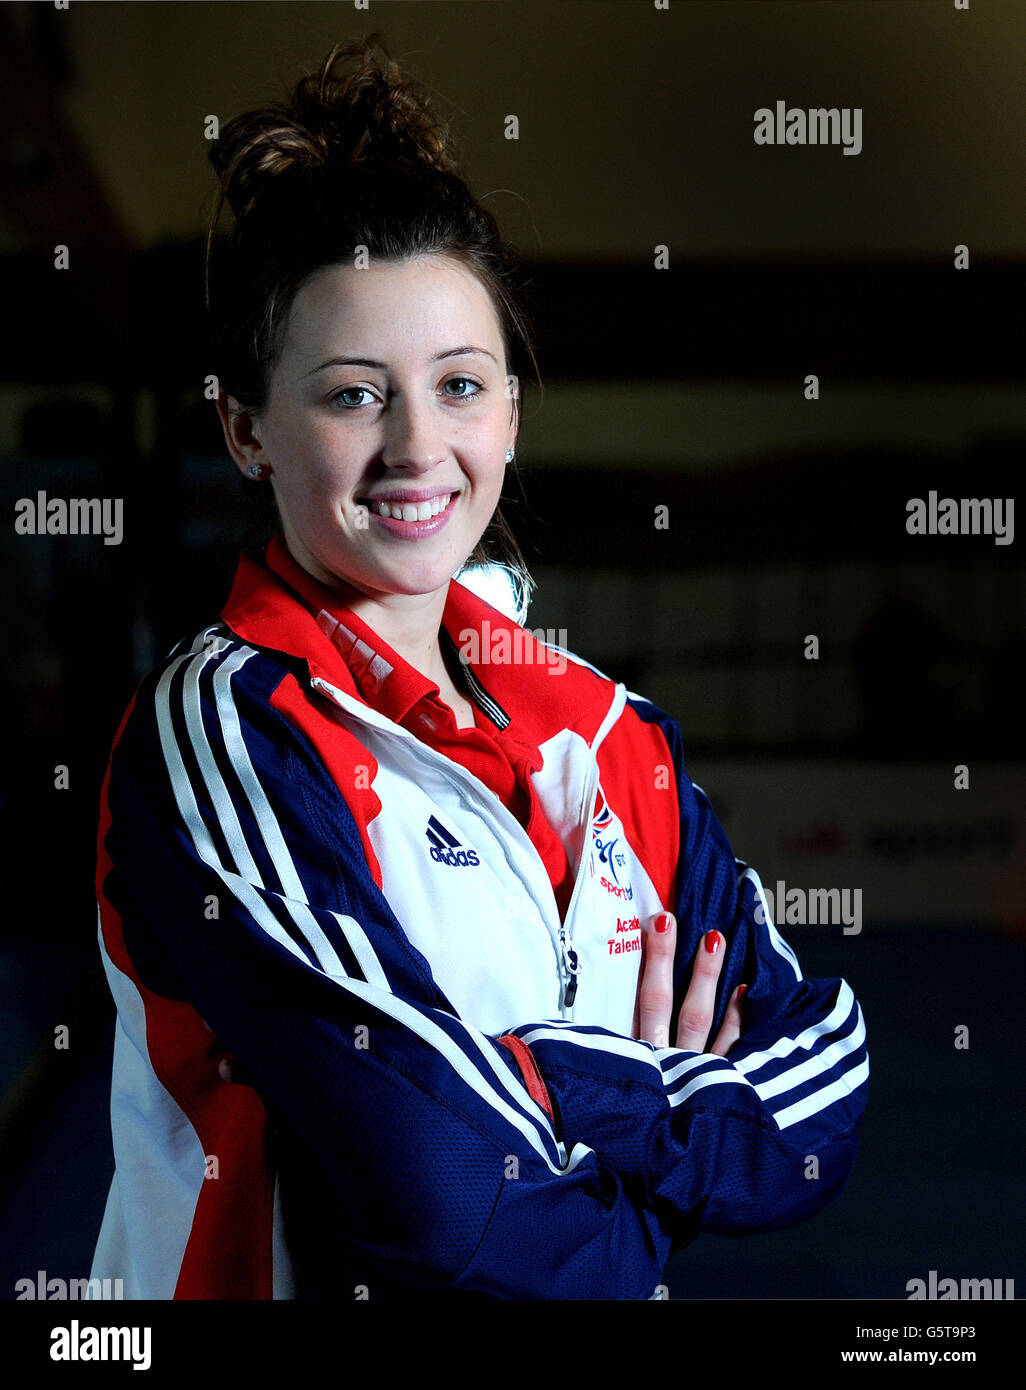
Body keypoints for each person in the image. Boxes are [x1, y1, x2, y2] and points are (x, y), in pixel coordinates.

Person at [91, 34, 868, 1301]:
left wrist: (552, 1083)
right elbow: (434, 1197)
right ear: (246, 429)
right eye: (351, 395)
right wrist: (671, 1141)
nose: (416, 446)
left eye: (459, 386)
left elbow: (822, 1090)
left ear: (510, 409)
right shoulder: (227, 733)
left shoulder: (610, 732)